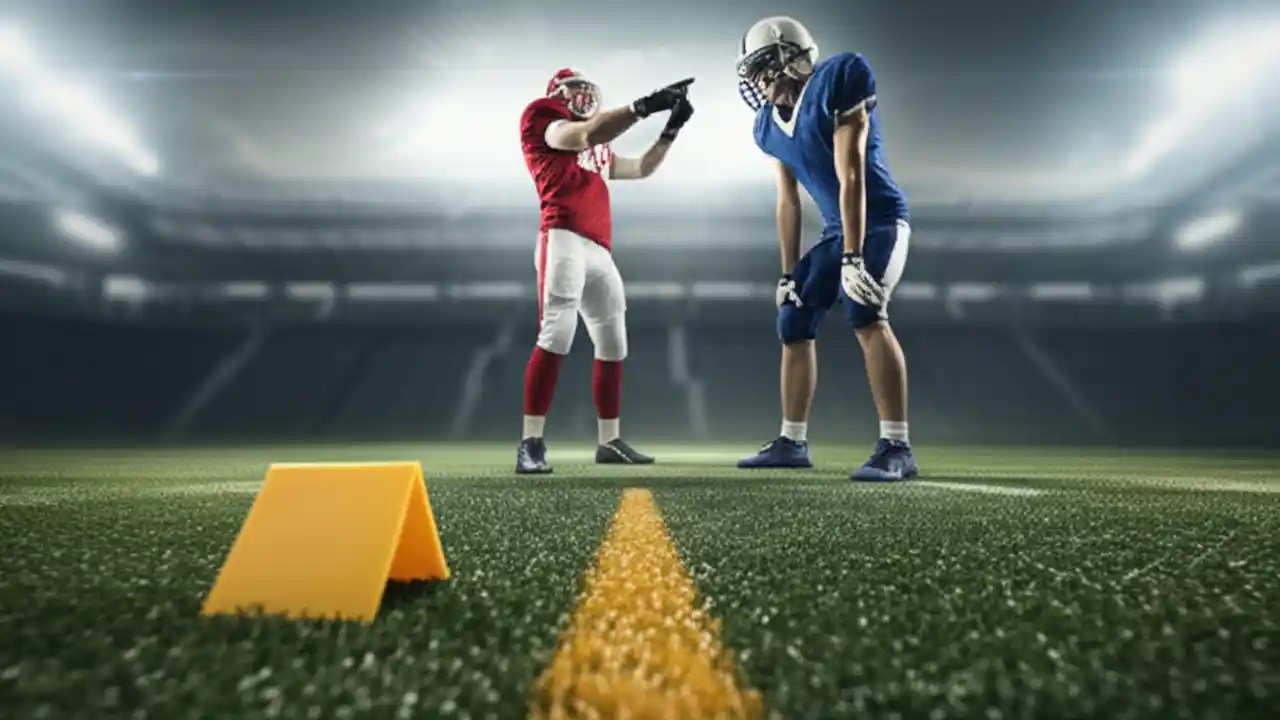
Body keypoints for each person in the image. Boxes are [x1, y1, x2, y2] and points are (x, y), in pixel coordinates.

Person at [734, 17, 918, 481]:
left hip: (879, 222)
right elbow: (787, 200)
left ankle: (897, 445)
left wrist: (854, 257)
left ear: (787, 56)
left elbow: (850, 172)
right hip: (837, 232)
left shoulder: (839, 77)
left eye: (761, 67)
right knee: (793, 315)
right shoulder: (767, 126)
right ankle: (792, 441)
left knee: (865, 311)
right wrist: (786, 273)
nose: (757, 81)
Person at [515, 69, 695, 474]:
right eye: (573, 88)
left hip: (598, 247)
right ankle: (531, 443)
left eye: (586, 88)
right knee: (556, 335)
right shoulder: (542, 116)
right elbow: (582, 135)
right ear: (556, 94)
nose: (582, 95)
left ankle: (609, 441)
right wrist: (644, 106)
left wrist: (670, 129)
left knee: (613, 341)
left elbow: (641, 168)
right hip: (562, 236)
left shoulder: (596, 142)